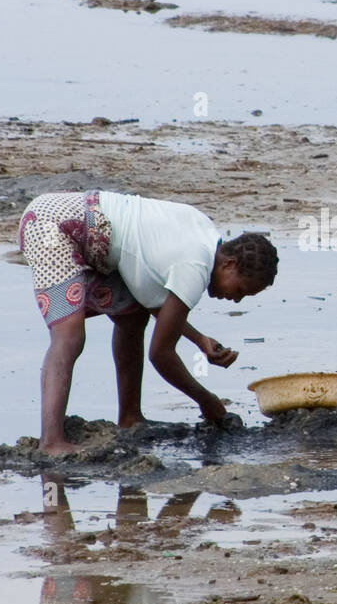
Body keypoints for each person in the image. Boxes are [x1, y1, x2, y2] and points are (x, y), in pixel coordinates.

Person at [17, 188, 278, 453]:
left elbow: (151, 301)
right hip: (51, 225)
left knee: (132, 315)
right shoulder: (196, 268)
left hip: (90, 234)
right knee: (69, 337)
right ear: (229, 265)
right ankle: (51, 442)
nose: (237, 300)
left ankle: (130, 418)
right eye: (242, 290)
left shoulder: (207, 238)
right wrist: (206, 401)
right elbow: (161, 354)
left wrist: (200, 341)